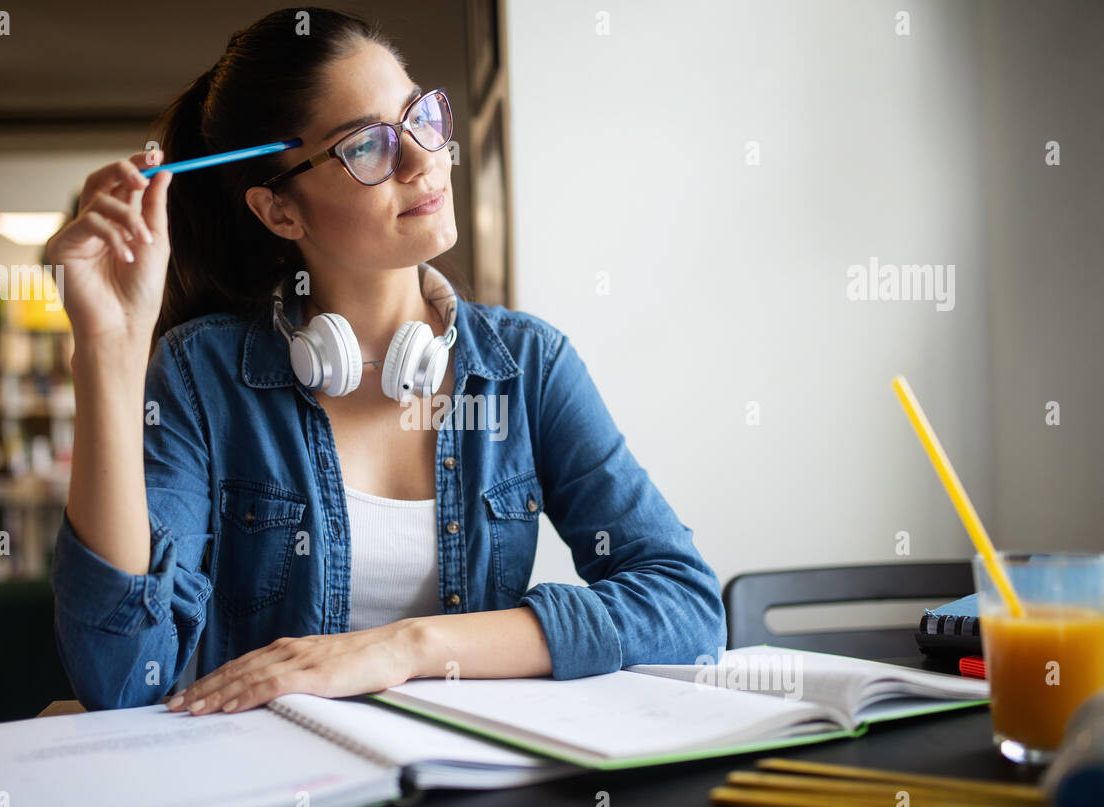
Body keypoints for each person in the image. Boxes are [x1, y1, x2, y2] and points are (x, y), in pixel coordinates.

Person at [46, 7, 725, 713]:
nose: (422, 158)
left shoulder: (529, 365)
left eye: (419, 115)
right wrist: (107, 352)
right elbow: (123, 680)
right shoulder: (200, 376)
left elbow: (686, 609)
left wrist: (406, 647)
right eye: (366, 146)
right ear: (280, 212)